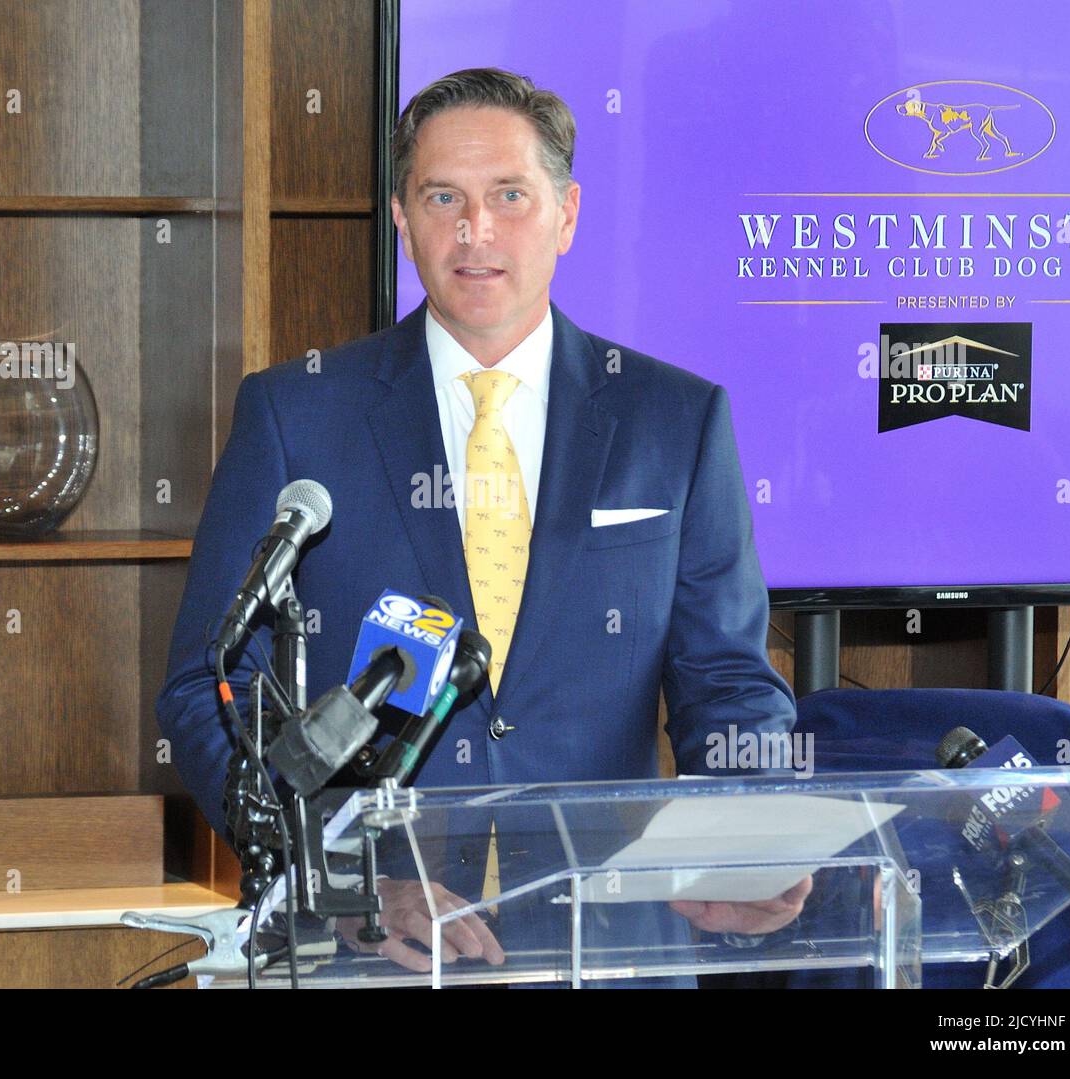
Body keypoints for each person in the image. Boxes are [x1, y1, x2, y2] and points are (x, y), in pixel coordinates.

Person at [156, 67, 806, 982]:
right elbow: (208, 688)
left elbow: (728, 685)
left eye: (510, 195)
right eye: (442, 198)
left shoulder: (675, 420)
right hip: (376, 954)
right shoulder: (296, 415)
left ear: (568, 213)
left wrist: (752, 827)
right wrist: (344, 881)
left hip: (613, 951)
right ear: (401, 219)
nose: (476, 232)